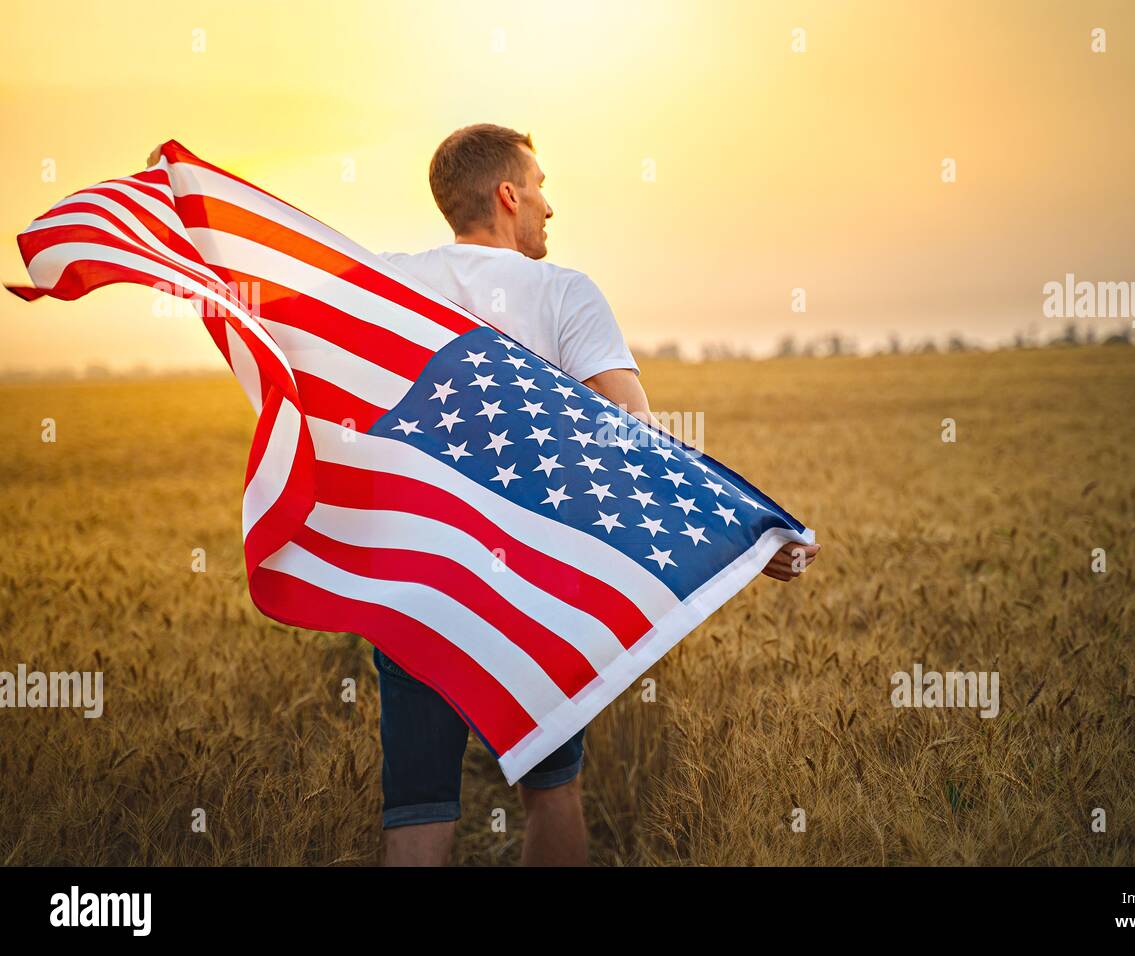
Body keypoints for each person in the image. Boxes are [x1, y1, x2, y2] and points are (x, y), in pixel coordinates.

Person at [147, 127, 821, 866]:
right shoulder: (565, 291)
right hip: (533, 593)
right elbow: (635, 436)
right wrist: (748, 536)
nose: (548, 205)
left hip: (416, 586)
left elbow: (274, 296)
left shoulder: (389, 287)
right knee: (553, 795)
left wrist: (189, 206)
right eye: (539, 185)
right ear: (508, 194)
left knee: (417, 812)